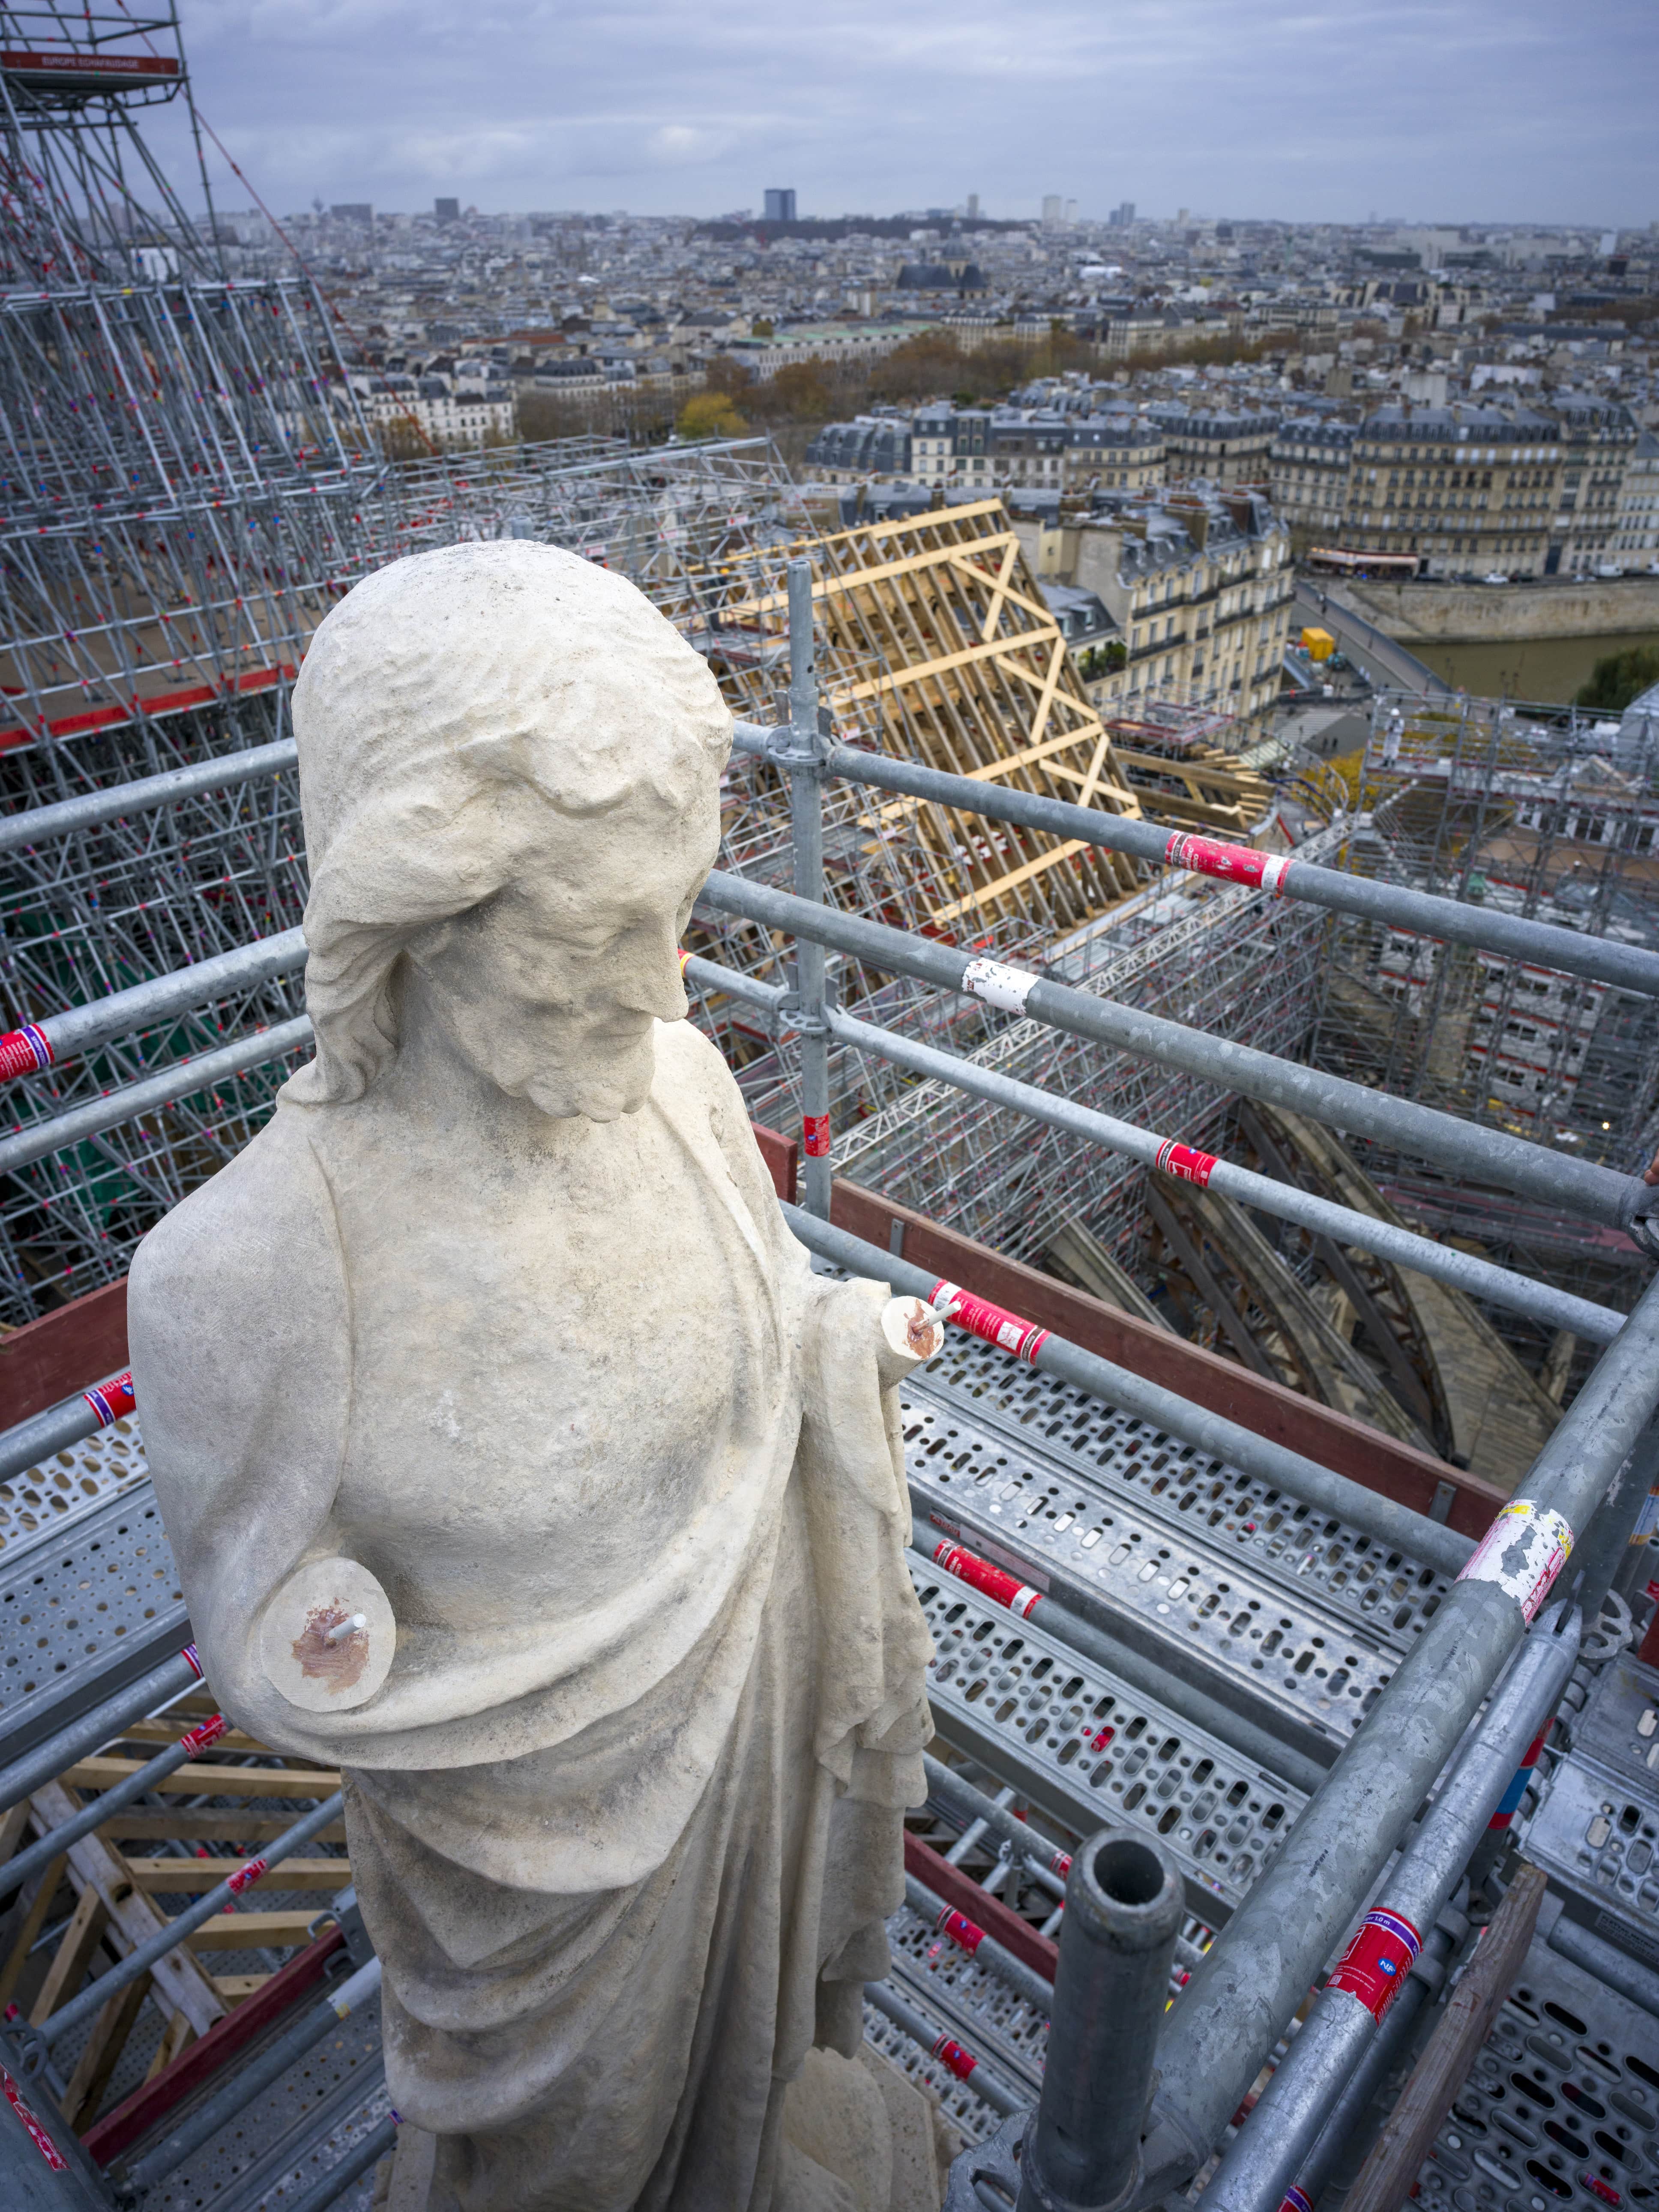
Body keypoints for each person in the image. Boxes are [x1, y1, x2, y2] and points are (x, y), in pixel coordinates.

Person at [129, 542, 940, 2211]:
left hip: (749, 1749)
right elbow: (268, 1630)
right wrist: (324, 1635)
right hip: (527, 1896)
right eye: (600, 932)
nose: (663, 989)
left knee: (749, 2076)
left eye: (683, 918)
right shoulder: (247, 1276)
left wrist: (840, 1345)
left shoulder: (686, 1089)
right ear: (409, 914)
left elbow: (771, 1317)